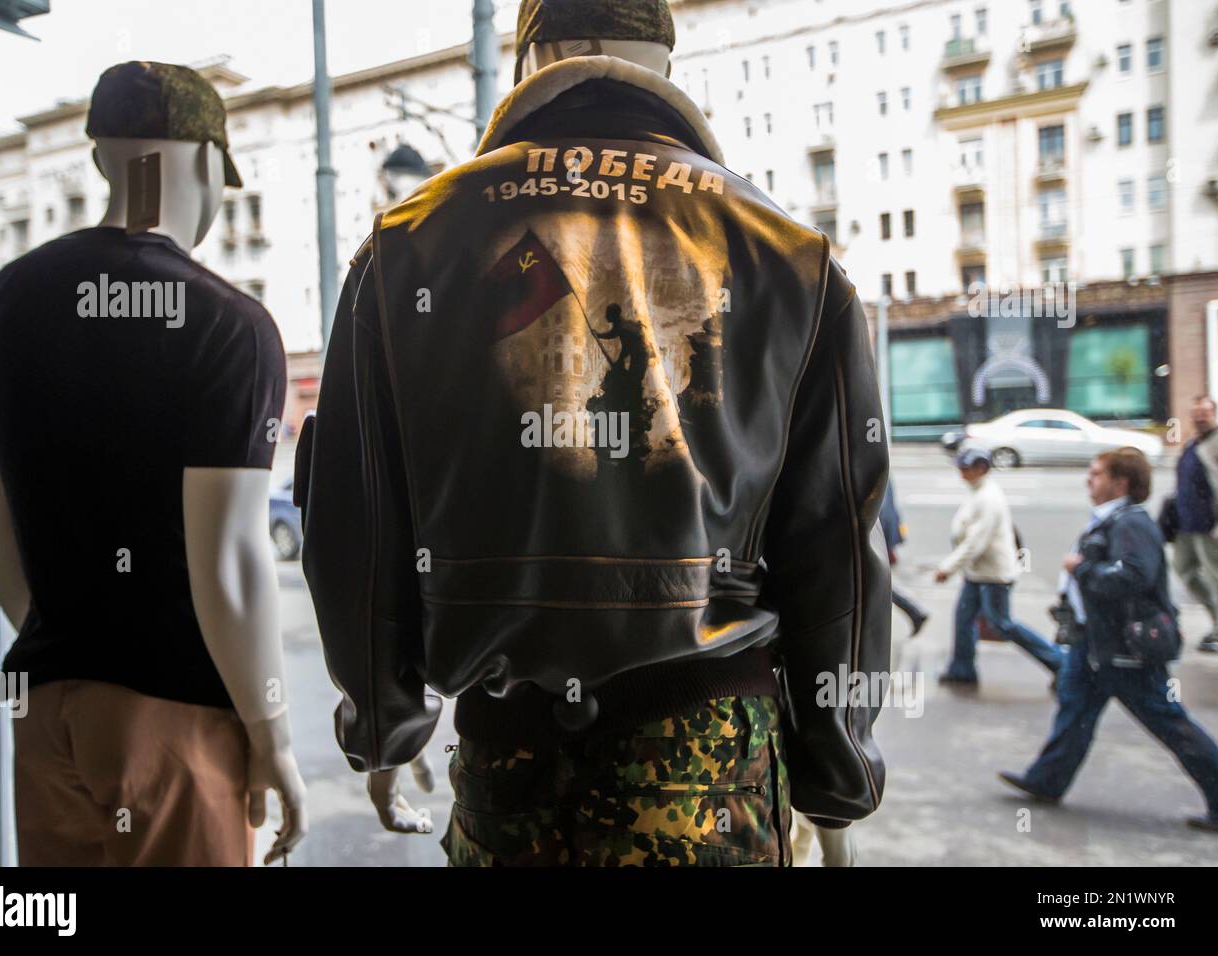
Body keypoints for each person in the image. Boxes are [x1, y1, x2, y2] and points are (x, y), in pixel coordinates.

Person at [299, 0, 891, 866]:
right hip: (713, 766)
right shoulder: (793, 255)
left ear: (545, 55)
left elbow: (355, 525)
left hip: (509, 764)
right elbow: (836, 542)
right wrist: (833, 783)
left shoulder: (404, 246)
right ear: (662, 64)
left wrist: (385, 726)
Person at [0, 62, 306, 865]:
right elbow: (227, 559)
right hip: (176, 724)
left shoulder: (4, 303)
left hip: (47, 716)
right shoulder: (230, 322)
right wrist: (271, 733)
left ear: (101, 158)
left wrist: (82, 653)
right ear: (205, 161)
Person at [999, 448, 1218, 833]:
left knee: (1170, 723)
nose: (1090, 479)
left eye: (1097, 474)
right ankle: (1046, 780)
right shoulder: (1112, 520)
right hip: (1094, 646)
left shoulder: (1131, 523)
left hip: (1126, 652)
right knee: (1074, 713)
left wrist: (1082, 569)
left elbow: (1131, 576)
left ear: (1121, 483)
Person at [935, 447, 1062, 685]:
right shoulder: (978, 491)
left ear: (981, 469)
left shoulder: (988, 498)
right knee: (964, 618)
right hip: (978, 573)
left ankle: (1058, 661)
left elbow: (976, 542)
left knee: (1002, 624)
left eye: (966, 468)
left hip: (994, 575)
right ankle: (961, 668)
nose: (962, 473)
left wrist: (948, 567)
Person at [1170, 395, 1218, 653]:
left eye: (1205, 412)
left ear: (1214, 414)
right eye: (1196, 413)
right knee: (1185, 570)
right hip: (1186, 525)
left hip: (1211, 526)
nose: (1199, 417)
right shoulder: (1193, 443)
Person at [882, 480, 929, 636]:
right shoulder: (881, 466)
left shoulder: (872, 465)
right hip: (882, 537)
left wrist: (886, 543)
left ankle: (914, 612)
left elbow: (885, 510)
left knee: (876, 582)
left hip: (877, 538)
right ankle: (914, 612)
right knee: (876, 581)